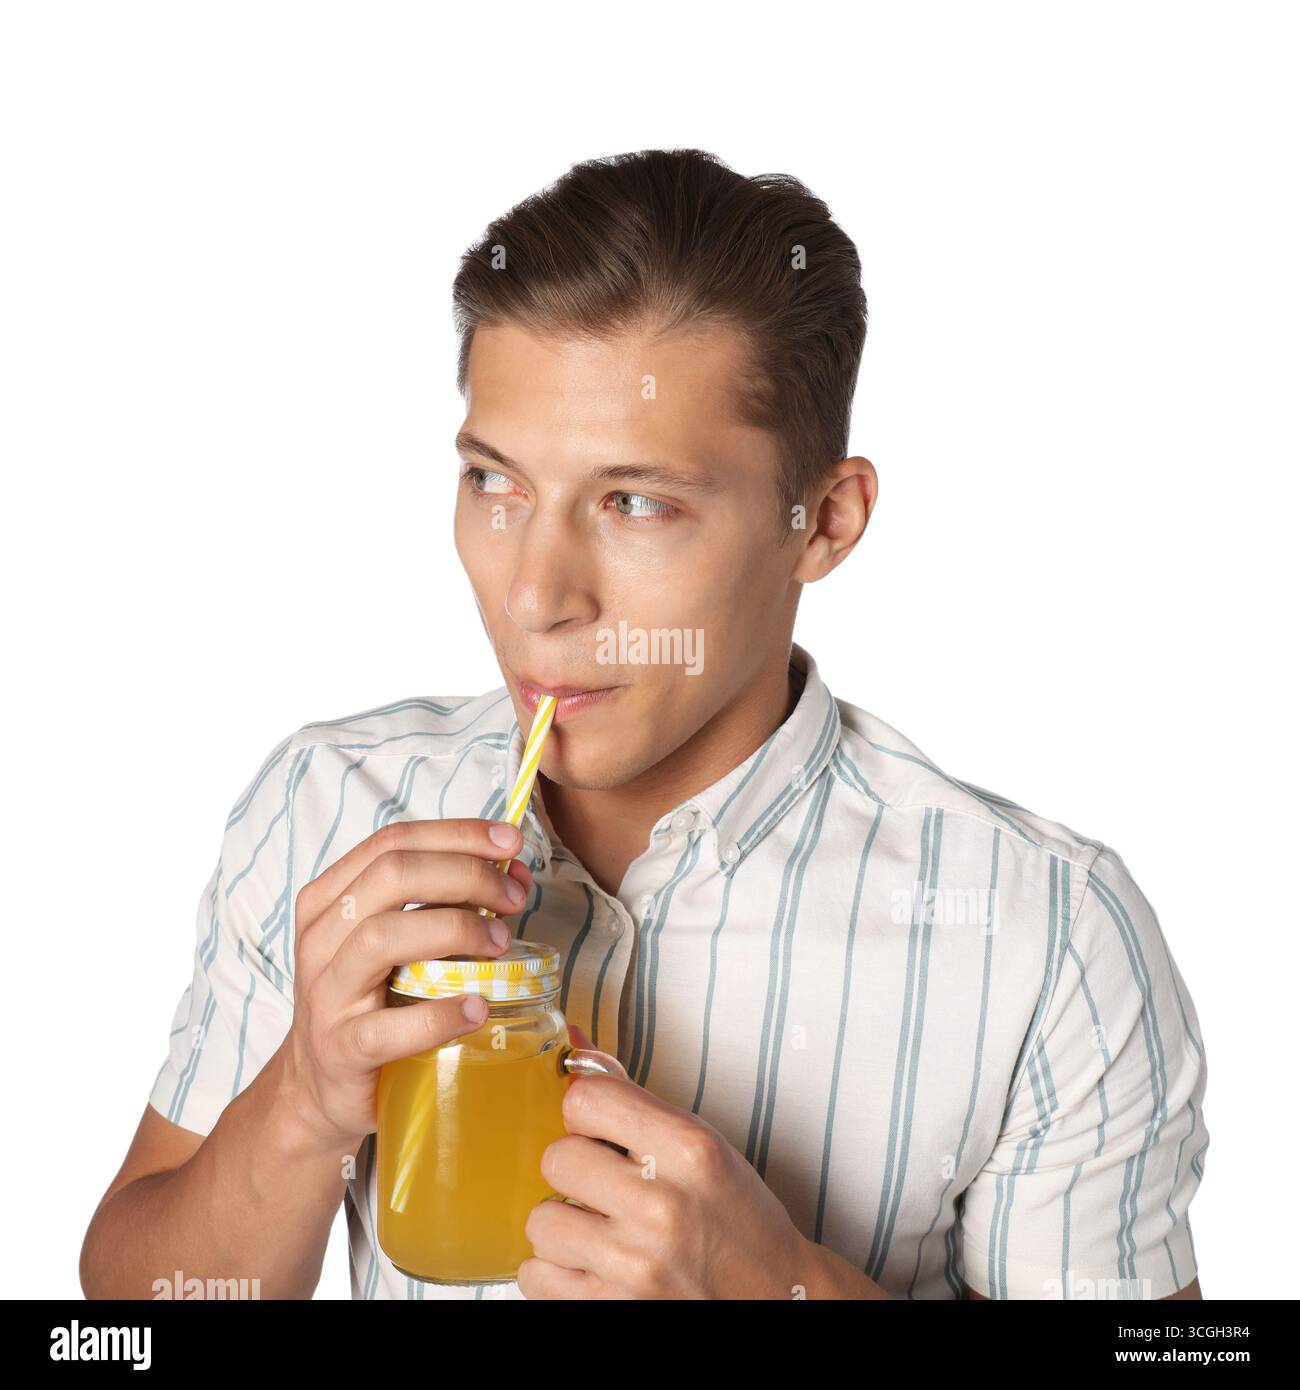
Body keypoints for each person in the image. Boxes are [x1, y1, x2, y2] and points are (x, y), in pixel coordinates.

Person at [81, 148, 1208, 1300]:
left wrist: (788, 1291)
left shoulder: (1048, 934)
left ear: (821, 521)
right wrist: (302, 1100)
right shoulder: (325, 808)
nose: (534, 596)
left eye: (633, 503)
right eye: (495, 484)